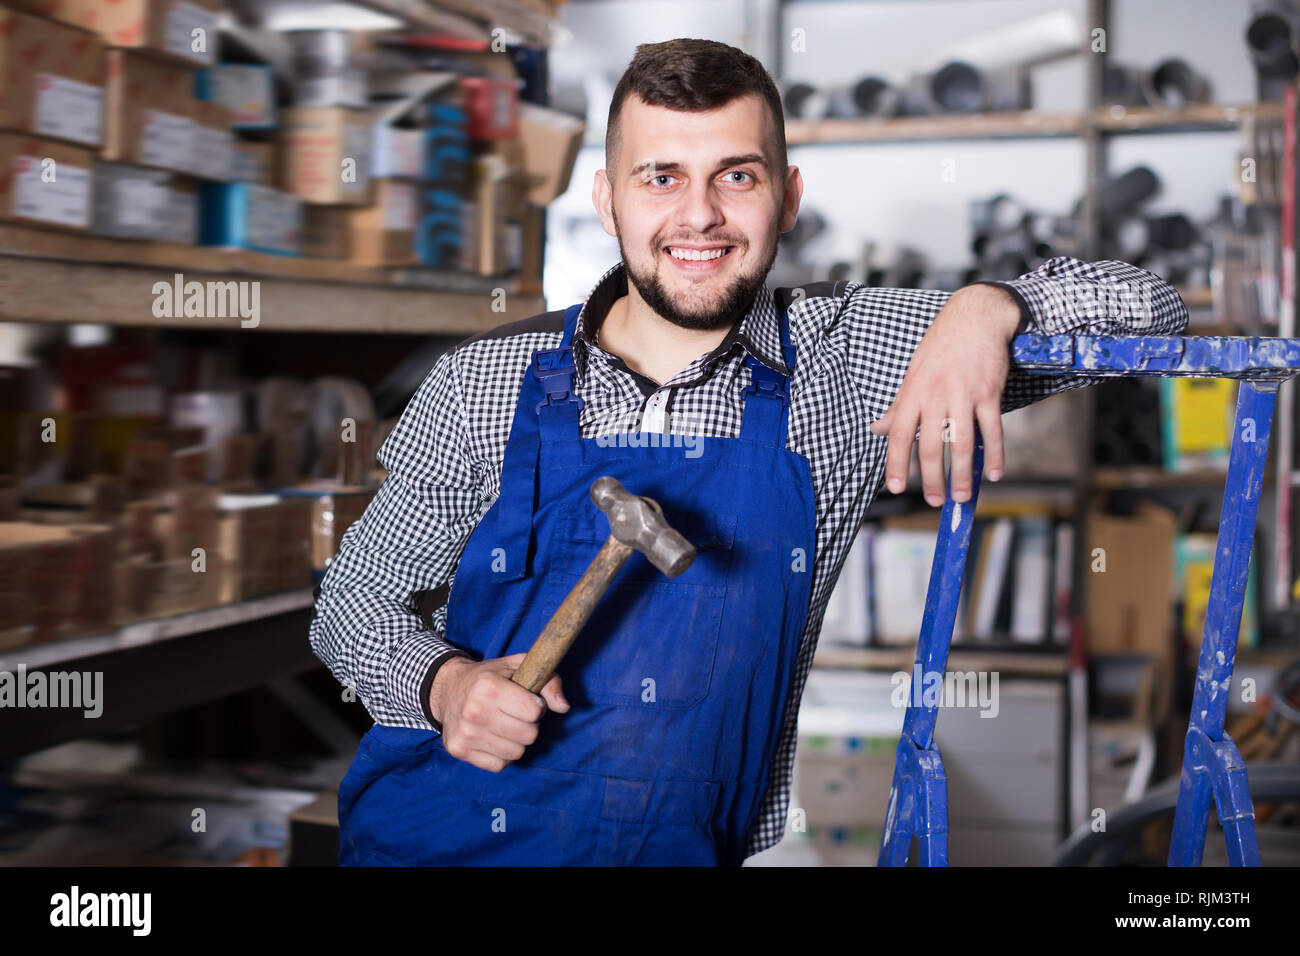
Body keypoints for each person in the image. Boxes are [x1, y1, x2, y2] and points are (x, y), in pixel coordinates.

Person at [309, 37, 1188, 866]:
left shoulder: (839, 359)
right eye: (661, 177)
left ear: (789, 197)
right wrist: (444, 686)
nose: (699, 215)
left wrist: (988, 310)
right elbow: (351, 602)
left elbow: (1156, 309)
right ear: (607, 200)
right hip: (437, 838)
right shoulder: (484, 382)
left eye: (737, 175)